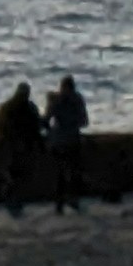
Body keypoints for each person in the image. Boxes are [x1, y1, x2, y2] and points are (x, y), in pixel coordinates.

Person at [0, 81, 47, 215]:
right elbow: (37, 126)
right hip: (18, 146)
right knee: (18, 174)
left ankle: (12, 197)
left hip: (17, 146)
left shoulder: (8, 107)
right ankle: (12, 196)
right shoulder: (27, 107)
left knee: (18, 174)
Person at [47, 75, 91, 211]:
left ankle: (59, 203)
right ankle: (73, 199)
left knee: (60, 173)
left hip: (58, 141)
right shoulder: (77, 100)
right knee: (74, 172)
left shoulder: (55, 100)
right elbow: (84, 122)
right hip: (72, 140)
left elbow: (46, 119)